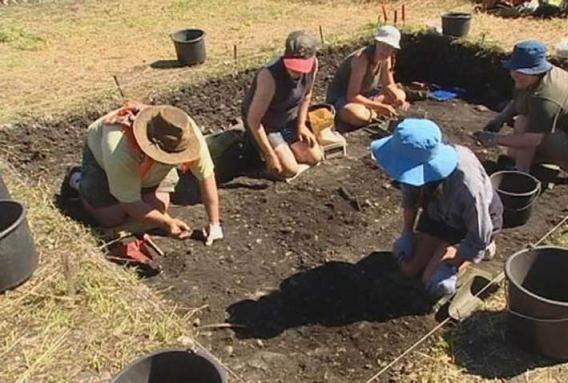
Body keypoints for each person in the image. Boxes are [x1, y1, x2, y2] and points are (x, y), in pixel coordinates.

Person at [371, 119, 503, 299]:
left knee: (432, 281)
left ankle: (482, 249)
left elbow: (480, 230)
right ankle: (441, 249)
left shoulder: (467, 184)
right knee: (409, 269)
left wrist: (452, 266)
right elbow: (410, 198)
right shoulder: (414, 164)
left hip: (469, 226)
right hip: (438, 213)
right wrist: (407, 233)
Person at [63, 102, 223, 245]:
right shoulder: (117, 146)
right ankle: (76, 178)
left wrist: (214, 224)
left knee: (159, 207)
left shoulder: (186, 135)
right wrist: (167, 223)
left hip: (143, 170)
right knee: (112, 217)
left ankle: (134, 189)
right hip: (103, 163)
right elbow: (130, 204)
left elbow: (206, 177)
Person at [474, 40, 568, 184]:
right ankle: (523, 170)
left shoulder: (545, 97)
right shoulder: (528, 79)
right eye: (514, 69)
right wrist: (500, 119)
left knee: (521, 132)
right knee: (515, 147)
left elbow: (532, 140)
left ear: (537, 71)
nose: (515, 75)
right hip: (555, 127)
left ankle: (564, 161)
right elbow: (518, 101)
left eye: (522, 72)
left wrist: (494, 139)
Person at [242, 31, 323, 179]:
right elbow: (254, 120)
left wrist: (301, 125)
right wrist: (269, 155)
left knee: (315, 157)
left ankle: (287, 149)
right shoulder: (269, 76)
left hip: (288, 120)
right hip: (267, 126)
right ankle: (260, 151)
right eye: (293, 66)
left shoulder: (313, 65)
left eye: (301, 67)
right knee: (289, 170)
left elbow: (307, 95)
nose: (297, 71)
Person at [326, 25, 409, 128]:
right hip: (344, 99)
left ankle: (373, 112)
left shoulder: (386, 58)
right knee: (356, 114)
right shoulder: (361, 59)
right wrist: (380, 106)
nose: (385, 50)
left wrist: (398, 99)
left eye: (389, 48)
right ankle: (376, 113)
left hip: (366, 96)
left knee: (401, 94)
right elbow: (352, 96)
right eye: (383, 45)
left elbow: (388, 84)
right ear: (376, 43)